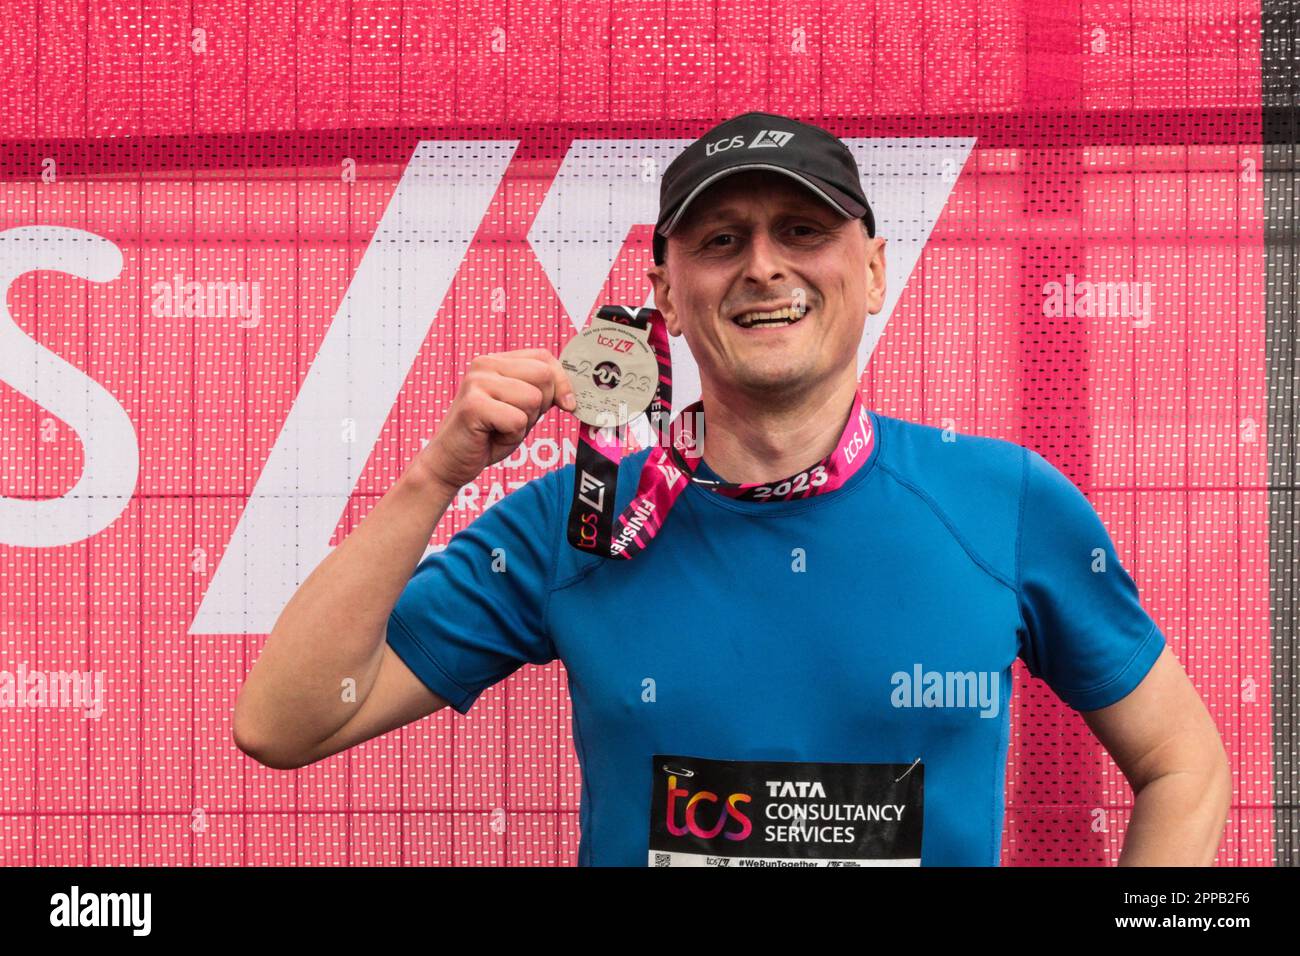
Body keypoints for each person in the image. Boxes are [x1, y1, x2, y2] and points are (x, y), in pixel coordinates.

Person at [232, 111, 1230, 866]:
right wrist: (431, 474)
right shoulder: (578, 518)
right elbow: (284, 722)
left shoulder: (1002, 500)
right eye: (721, 240)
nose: (763, 266)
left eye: (802, 230)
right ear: (665, 290)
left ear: (874, 270)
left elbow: (1184, 764)